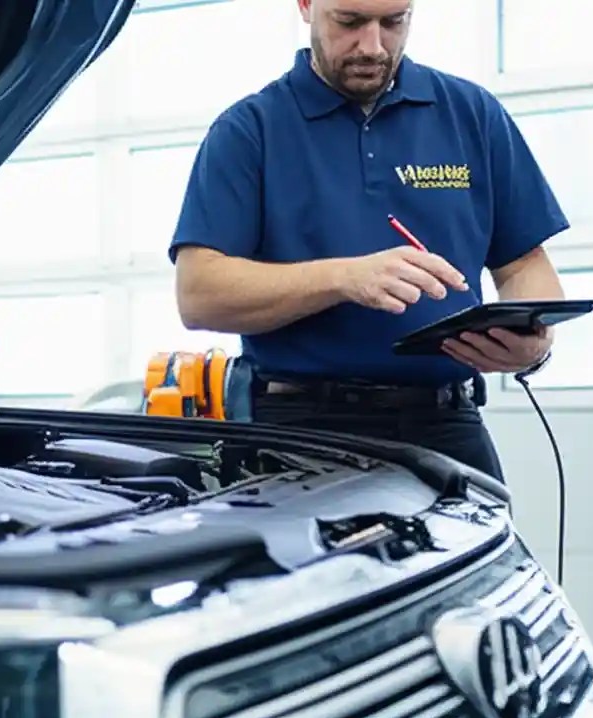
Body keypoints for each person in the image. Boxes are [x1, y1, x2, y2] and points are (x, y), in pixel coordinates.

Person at [169, 0, 566, 481]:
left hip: (446, 425)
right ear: (306, 6)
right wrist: (345, 278)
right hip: (303, 432)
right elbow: (198, 295)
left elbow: (525, 265)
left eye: (394, 22)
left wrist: (534, 345)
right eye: (350, 22)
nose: (373, 46)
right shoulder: (249, 131)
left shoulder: (473, 115)